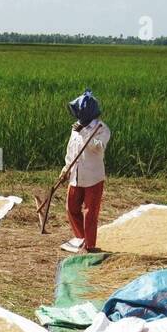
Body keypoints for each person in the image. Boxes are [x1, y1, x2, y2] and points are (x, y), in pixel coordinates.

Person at [60, 89, 110, 254]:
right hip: (76, 175)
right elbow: (71, 150)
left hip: (93, 177)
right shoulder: (75, 128)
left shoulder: (101, 129)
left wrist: (84, 133)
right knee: (71, 208)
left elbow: (99, 147)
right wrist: (65, 169)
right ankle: (81, 238)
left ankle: (90, 245)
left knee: (90, 213)